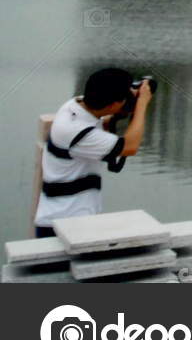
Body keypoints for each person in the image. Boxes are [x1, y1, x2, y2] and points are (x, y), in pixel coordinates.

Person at [34, 68, 153, 238]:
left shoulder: (73, 107)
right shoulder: (76, 132)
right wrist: (141, 106)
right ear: (112, 104)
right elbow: (129, 147)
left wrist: (123, 111)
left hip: (64, 219)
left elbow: (98, 125)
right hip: (64, 226)